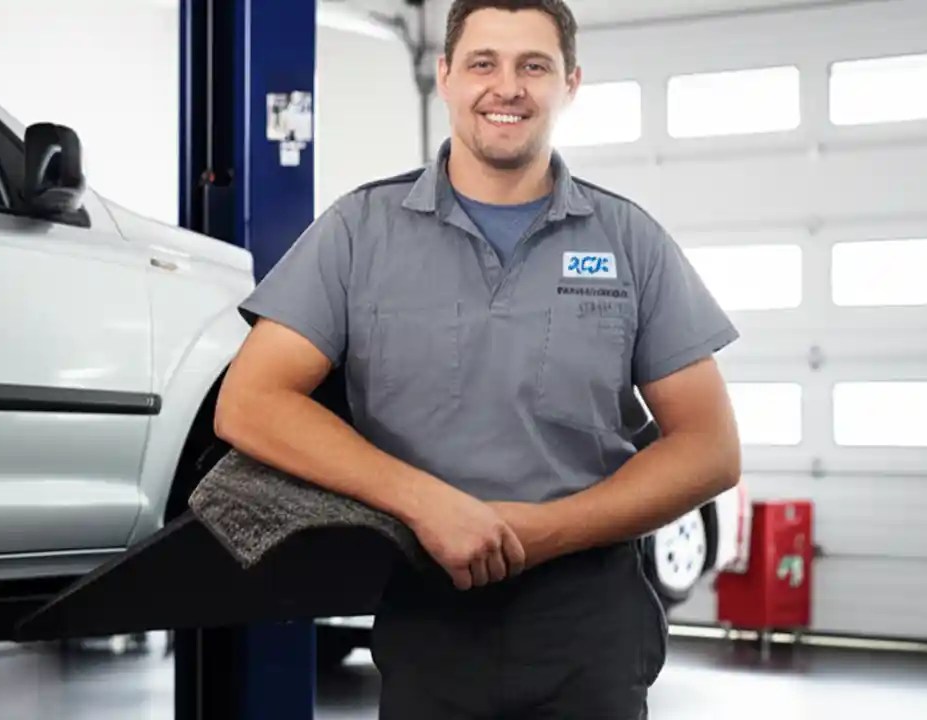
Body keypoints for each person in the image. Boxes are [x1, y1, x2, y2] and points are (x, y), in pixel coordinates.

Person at [214, 0, 742, 717]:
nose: (508, 87)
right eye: (483, 63)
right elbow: (249, 403)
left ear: (570, 83)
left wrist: (543, 532)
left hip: (590, 618)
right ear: (446, 76)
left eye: (534, 66)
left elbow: (710, 448)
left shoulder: (628, 240)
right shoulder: (359, 231)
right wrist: (425, 502)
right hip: (429, 606)